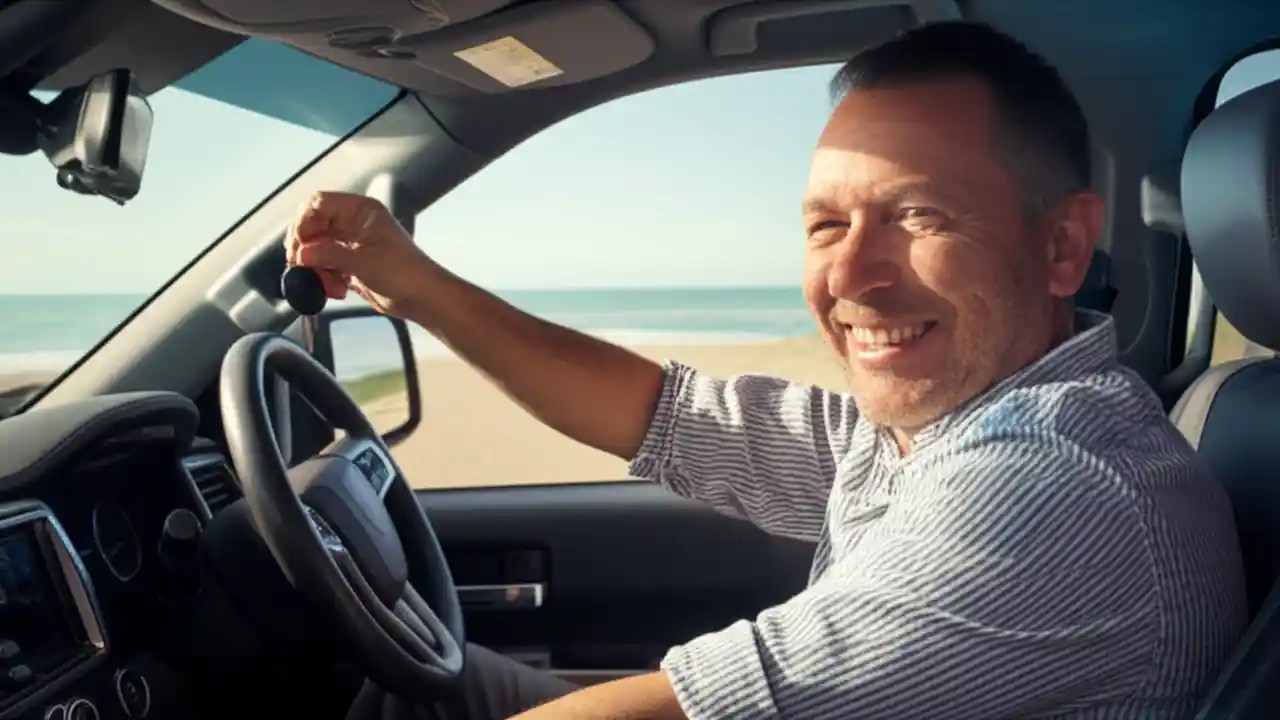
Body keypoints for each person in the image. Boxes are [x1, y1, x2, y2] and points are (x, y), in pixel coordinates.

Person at [288, 20, 1247, 720]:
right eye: (828, 225)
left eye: (919, 216)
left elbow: (697, 710)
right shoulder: (946, 424)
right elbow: (660, 413)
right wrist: (412, 282)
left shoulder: (1048, 485)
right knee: (406, 686)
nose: (854, 276)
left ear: (1061, 247)